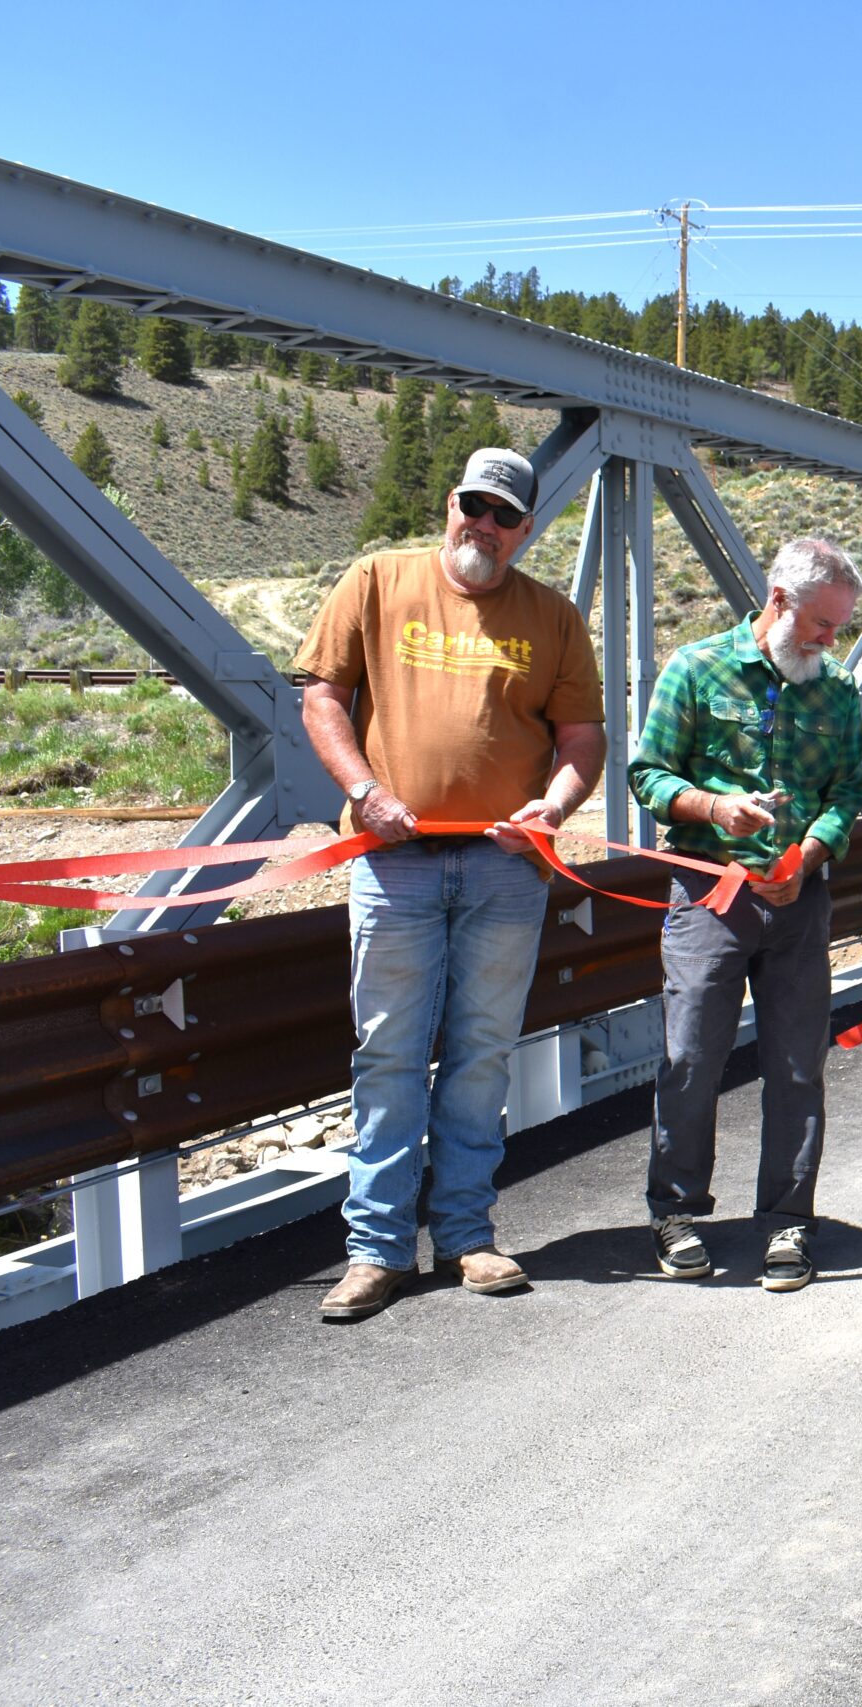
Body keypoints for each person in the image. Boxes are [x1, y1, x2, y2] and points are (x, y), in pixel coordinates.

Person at [295, 447, 605, 1323]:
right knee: (389, 1053)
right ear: (450, 502)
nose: (488, 526)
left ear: (526, 530)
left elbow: (583, 739)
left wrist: (550, 806)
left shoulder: (552, 615)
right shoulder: (377, 580)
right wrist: (365, 790)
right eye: (476, 505)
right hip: (392, 865)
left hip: (507, 868)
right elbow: (321, 697)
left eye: (507, 516)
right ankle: (377, 1250)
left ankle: (467, 1234)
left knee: (480, 1052)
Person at [628, 538, 862, 1290]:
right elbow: (647, 773)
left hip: (798, 903)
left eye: (839, 629)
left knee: (798, 1065)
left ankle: (789, 1222)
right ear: (777, 600)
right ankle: (676, 1211)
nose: (831, 642)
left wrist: (811, 857)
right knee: (692, 1057)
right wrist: (713, 805)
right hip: (711, 896)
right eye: (822, 625)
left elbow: (844, 794)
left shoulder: (836, 690)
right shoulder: (696, 669)